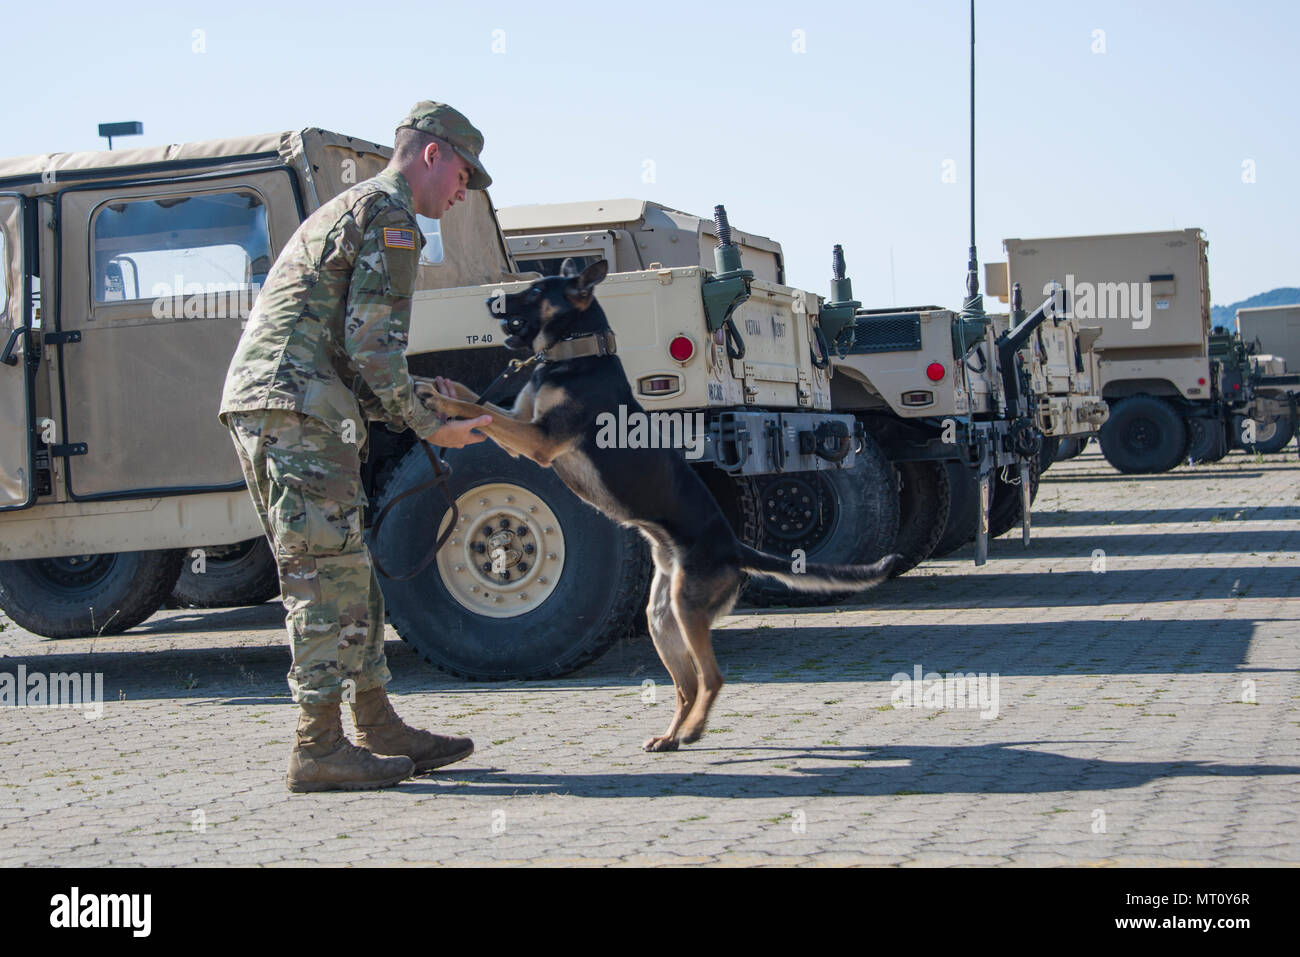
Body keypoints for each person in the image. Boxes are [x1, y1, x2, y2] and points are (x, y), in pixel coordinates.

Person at [219, 101, 493, 792]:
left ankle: (375, 725)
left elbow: (356, 347)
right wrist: (433, 426)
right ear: (431, 154)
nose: (464, 192)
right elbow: (374, 347)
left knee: (345, 568)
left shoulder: (362, 208)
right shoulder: (391, 216)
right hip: (297, 408)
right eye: (464, 174)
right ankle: (318, 748)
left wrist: (421, 396)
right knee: (318, 571)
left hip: (298, 403)